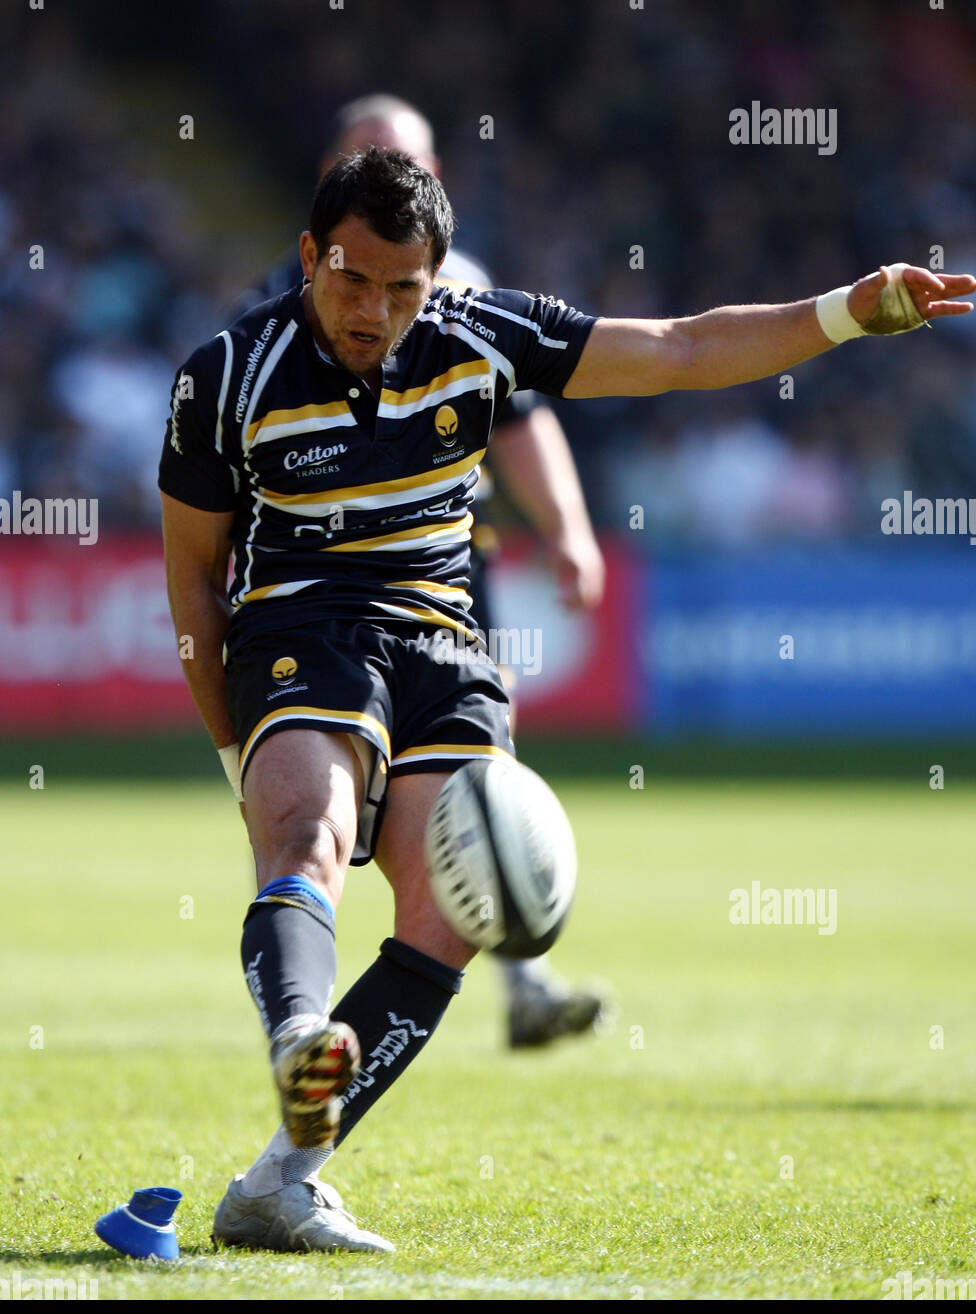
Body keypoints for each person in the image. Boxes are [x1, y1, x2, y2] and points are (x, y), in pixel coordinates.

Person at [159, 146, 972, 1253]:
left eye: (404, 289)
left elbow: (680, 349)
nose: (375, 311)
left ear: (436, 279)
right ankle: (303, 1030)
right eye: (352, 280)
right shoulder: (227, 374)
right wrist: (230, 750)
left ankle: (278, 1183)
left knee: (451, 913)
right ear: (311, 255)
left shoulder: (477, 333)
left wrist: (844, 311)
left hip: (444, 646)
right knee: (306, 836)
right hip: (300, 633)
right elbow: (192, 586)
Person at [236, 93, 609, 1049]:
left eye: (395, 158)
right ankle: (303, 988)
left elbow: (526, 417)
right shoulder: (277, 303)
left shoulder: (465, 293)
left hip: (442, 557)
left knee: (476, 752)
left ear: (434, 180)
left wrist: (566, 526)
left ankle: (513, 972)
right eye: (357, 158)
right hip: (319, 587)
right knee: (310, 801)